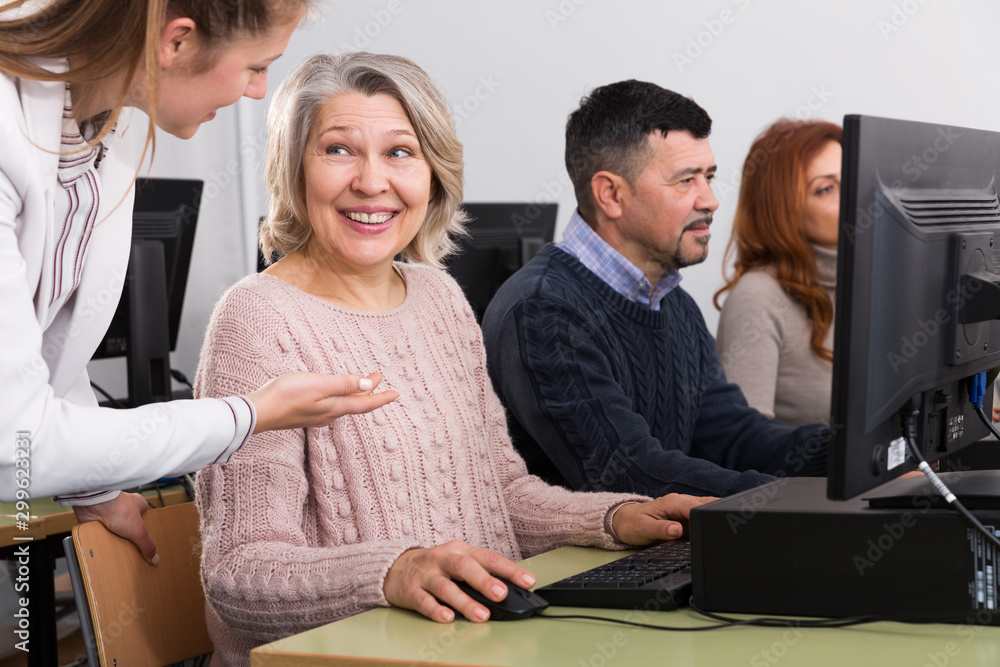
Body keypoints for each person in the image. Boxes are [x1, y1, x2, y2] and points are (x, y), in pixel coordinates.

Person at [193, 52, 711, 664]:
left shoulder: (439, 296)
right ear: (293, 167)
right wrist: (395, 571)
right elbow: (238, 570)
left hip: (478, 644)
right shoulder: (256, 318)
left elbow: (501, 495)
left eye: (400, 152)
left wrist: (618, 517)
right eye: (338, 150)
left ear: (433, 172)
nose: (370, 181)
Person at [0, 0, 397, 565]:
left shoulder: (107, 126)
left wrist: (95, 489)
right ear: (176, 43)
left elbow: (46, 347)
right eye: (256, 66)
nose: (260, 90)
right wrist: (250, 414)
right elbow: (16, 443)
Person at [481, 80, 829, 499]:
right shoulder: (543, 312)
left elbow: (733, 438)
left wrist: (859, 451)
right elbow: (630, 475)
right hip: (582, 563)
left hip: (662, 552)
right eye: (686, 181)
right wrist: (795, 499)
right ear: (610, 194)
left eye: (709, 177)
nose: (711, 200)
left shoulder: (672, 302)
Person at [714, 119, 843, 427]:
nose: (853, 195)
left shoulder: (871, 282)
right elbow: (746, 449)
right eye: (826, 189)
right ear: (783, 209)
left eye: (854, 177)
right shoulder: (758, 297)